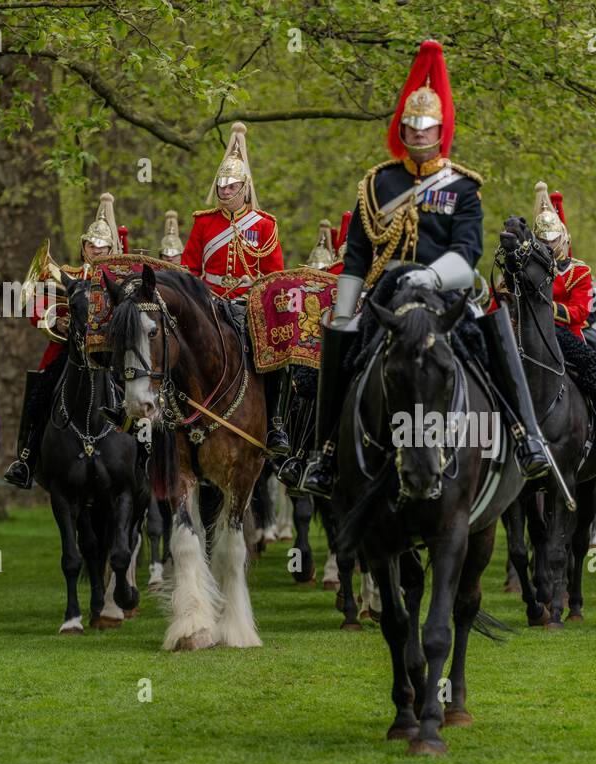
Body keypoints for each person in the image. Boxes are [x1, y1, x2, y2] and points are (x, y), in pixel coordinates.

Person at [299, 40, 551, 498]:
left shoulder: (461, 186)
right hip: (386, 292)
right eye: (411, 127)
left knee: (490, 335)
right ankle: (324, 453)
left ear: (440, 129)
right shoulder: (377, 183)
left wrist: (432, 277)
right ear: (402, 129)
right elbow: (356, 253)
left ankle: (525, 437)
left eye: (426, 127)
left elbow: (468, 249)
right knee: (341, 344)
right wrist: (343, 310)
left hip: (445, 290)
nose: (417, 134)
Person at [181, 121, 289, 458]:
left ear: (244, 188)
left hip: (246, 306)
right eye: (221, 187)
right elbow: (188, 268)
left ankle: (275, 425)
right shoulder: (204, 222)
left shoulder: (264, 225)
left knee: (274, 356)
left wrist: (252, 295)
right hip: (208, 303)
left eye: (231, 187)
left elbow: (273, 276)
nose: (224, 192)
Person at [3, 193, 122, 488]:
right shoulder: (66, 275)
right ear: (83, 247)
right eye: (91, 246)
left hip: (109, 355)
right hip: (67, 353)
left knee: (138, 392)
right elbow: (34, 305)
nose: (96, 251)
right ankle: (27, 458)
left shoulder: (120, 280)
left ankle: (144, 456)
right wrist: (56, 320)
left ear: (111, 249)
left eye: (102, 246)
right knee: (42, 392)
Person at [531, 182, 596, 475]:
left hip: (564, 335)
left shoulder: (578, 271)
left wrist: (547, 311)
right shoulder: (525, 266)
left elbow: (580, 312)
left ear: (563, 238)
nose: (549, 245)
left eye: (553, 239)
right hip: (531, 335)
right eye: (543, 240)